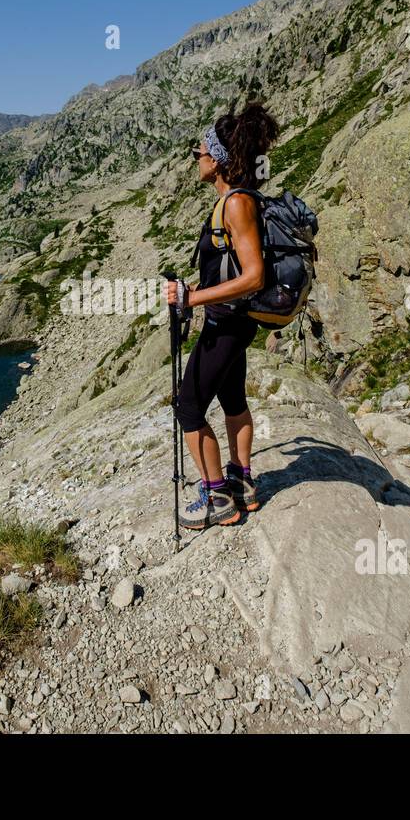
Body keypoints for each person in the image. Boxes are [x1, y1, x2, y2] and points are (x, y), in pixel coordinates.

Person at [162, 101, 279, 530]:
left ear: (219, 161)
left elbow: (253, 276)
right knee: (232, 400)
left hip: (226, 323)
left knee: (188, 406)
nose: (196, 158)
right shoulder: (236, 200)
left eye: (201, 152)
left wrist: (193, 299)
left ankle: (216, 497)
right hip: (233, 322)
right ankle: (243, 483)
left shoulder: (235, 205)